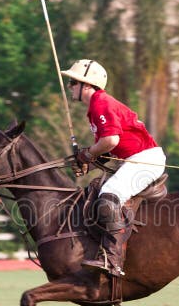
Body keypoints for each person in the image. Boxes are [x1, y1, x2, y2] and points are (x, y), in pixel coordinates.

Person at [61, 59, 166, 277]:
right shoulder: (96, 105)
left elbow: (110, 141)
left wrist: (87, 154)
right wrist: (89, 163)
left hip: (145, 158)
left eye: (73, 82)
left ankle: (113, 259)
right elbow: (108, 149)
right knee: (97, 191)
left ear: (86, 85)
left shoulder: (101, 103)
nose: (70, 86)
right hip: (135, 158)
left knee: (109, 195)